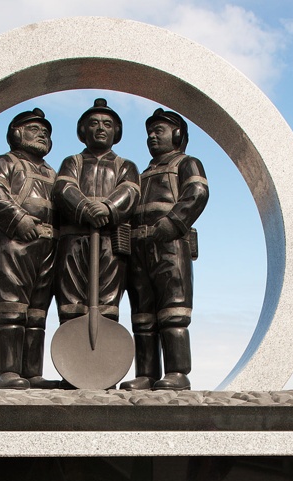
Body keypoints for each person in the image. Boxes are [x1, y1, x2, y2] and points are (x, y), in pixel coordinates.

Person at [121, 108, 209, 391]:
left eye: (159, 130)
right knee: (143, 315)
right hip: (139, 248)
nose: (152, 136)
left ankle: (177, 372)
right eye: (150, 132)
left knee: (173, 311)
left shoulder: (187, 163)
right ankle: (146, 373)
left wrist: (172, 223)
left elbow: (197, 194)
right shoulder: (142, 173)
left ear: (178, 134)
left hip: (170, 247)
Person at [0, 107, 59, 389]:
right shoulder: (5, 162)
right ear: (16, 133)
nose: (42, 135)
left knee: (37, 313)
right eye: (34, 129)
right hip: (15, 243)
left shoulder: (52, 172)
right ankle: (9, 371)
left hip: (48, 247)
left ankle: (32, 373)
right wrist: (19, 219)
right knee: (11, 308)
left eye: (45, 132)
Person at [52, 98, 139, 326]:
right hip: (74, 242)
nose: (101, 128)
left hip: (110, 244)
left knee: (108, 306)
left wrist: (108, 207)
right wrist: (84, 207)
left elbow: (130, 191)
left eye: (107, 124)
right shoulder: (73, 162)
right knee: (71, 305)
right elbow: (63, 189)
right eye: (94, 123)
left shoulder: (125, 166)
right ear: (83, 130)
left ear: (116, 132)